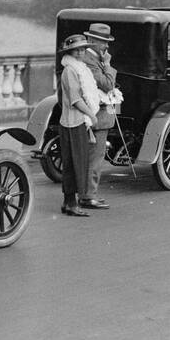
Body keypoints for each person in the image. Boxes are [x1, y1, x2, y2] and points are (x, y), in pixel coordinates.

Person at [58, 33, 100, 218]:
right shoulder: (71, 71)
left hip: (74, 121)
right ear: (71, 52)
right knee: (75, 162)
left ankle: (69, 202)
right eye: (78, 49)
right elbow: (75, 99)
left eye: (83, 48)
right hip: (72, 122)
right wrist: (91, 114)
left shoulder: (75, 68)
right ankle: (71, 203)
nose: (82, 52)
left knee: (74, 162)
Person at [82, 22, 119, 211]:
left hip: (95, 116)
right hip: (98, 117)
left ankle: (88, 194)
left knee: (92, 157)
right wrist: (108, 64)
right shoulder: (91, 61)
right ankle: (89, 196)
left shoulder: (89, 59)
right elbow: (107, 84)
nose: (106, 46)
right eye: (103, 42)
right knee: (95, 158)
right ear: (92, 41)